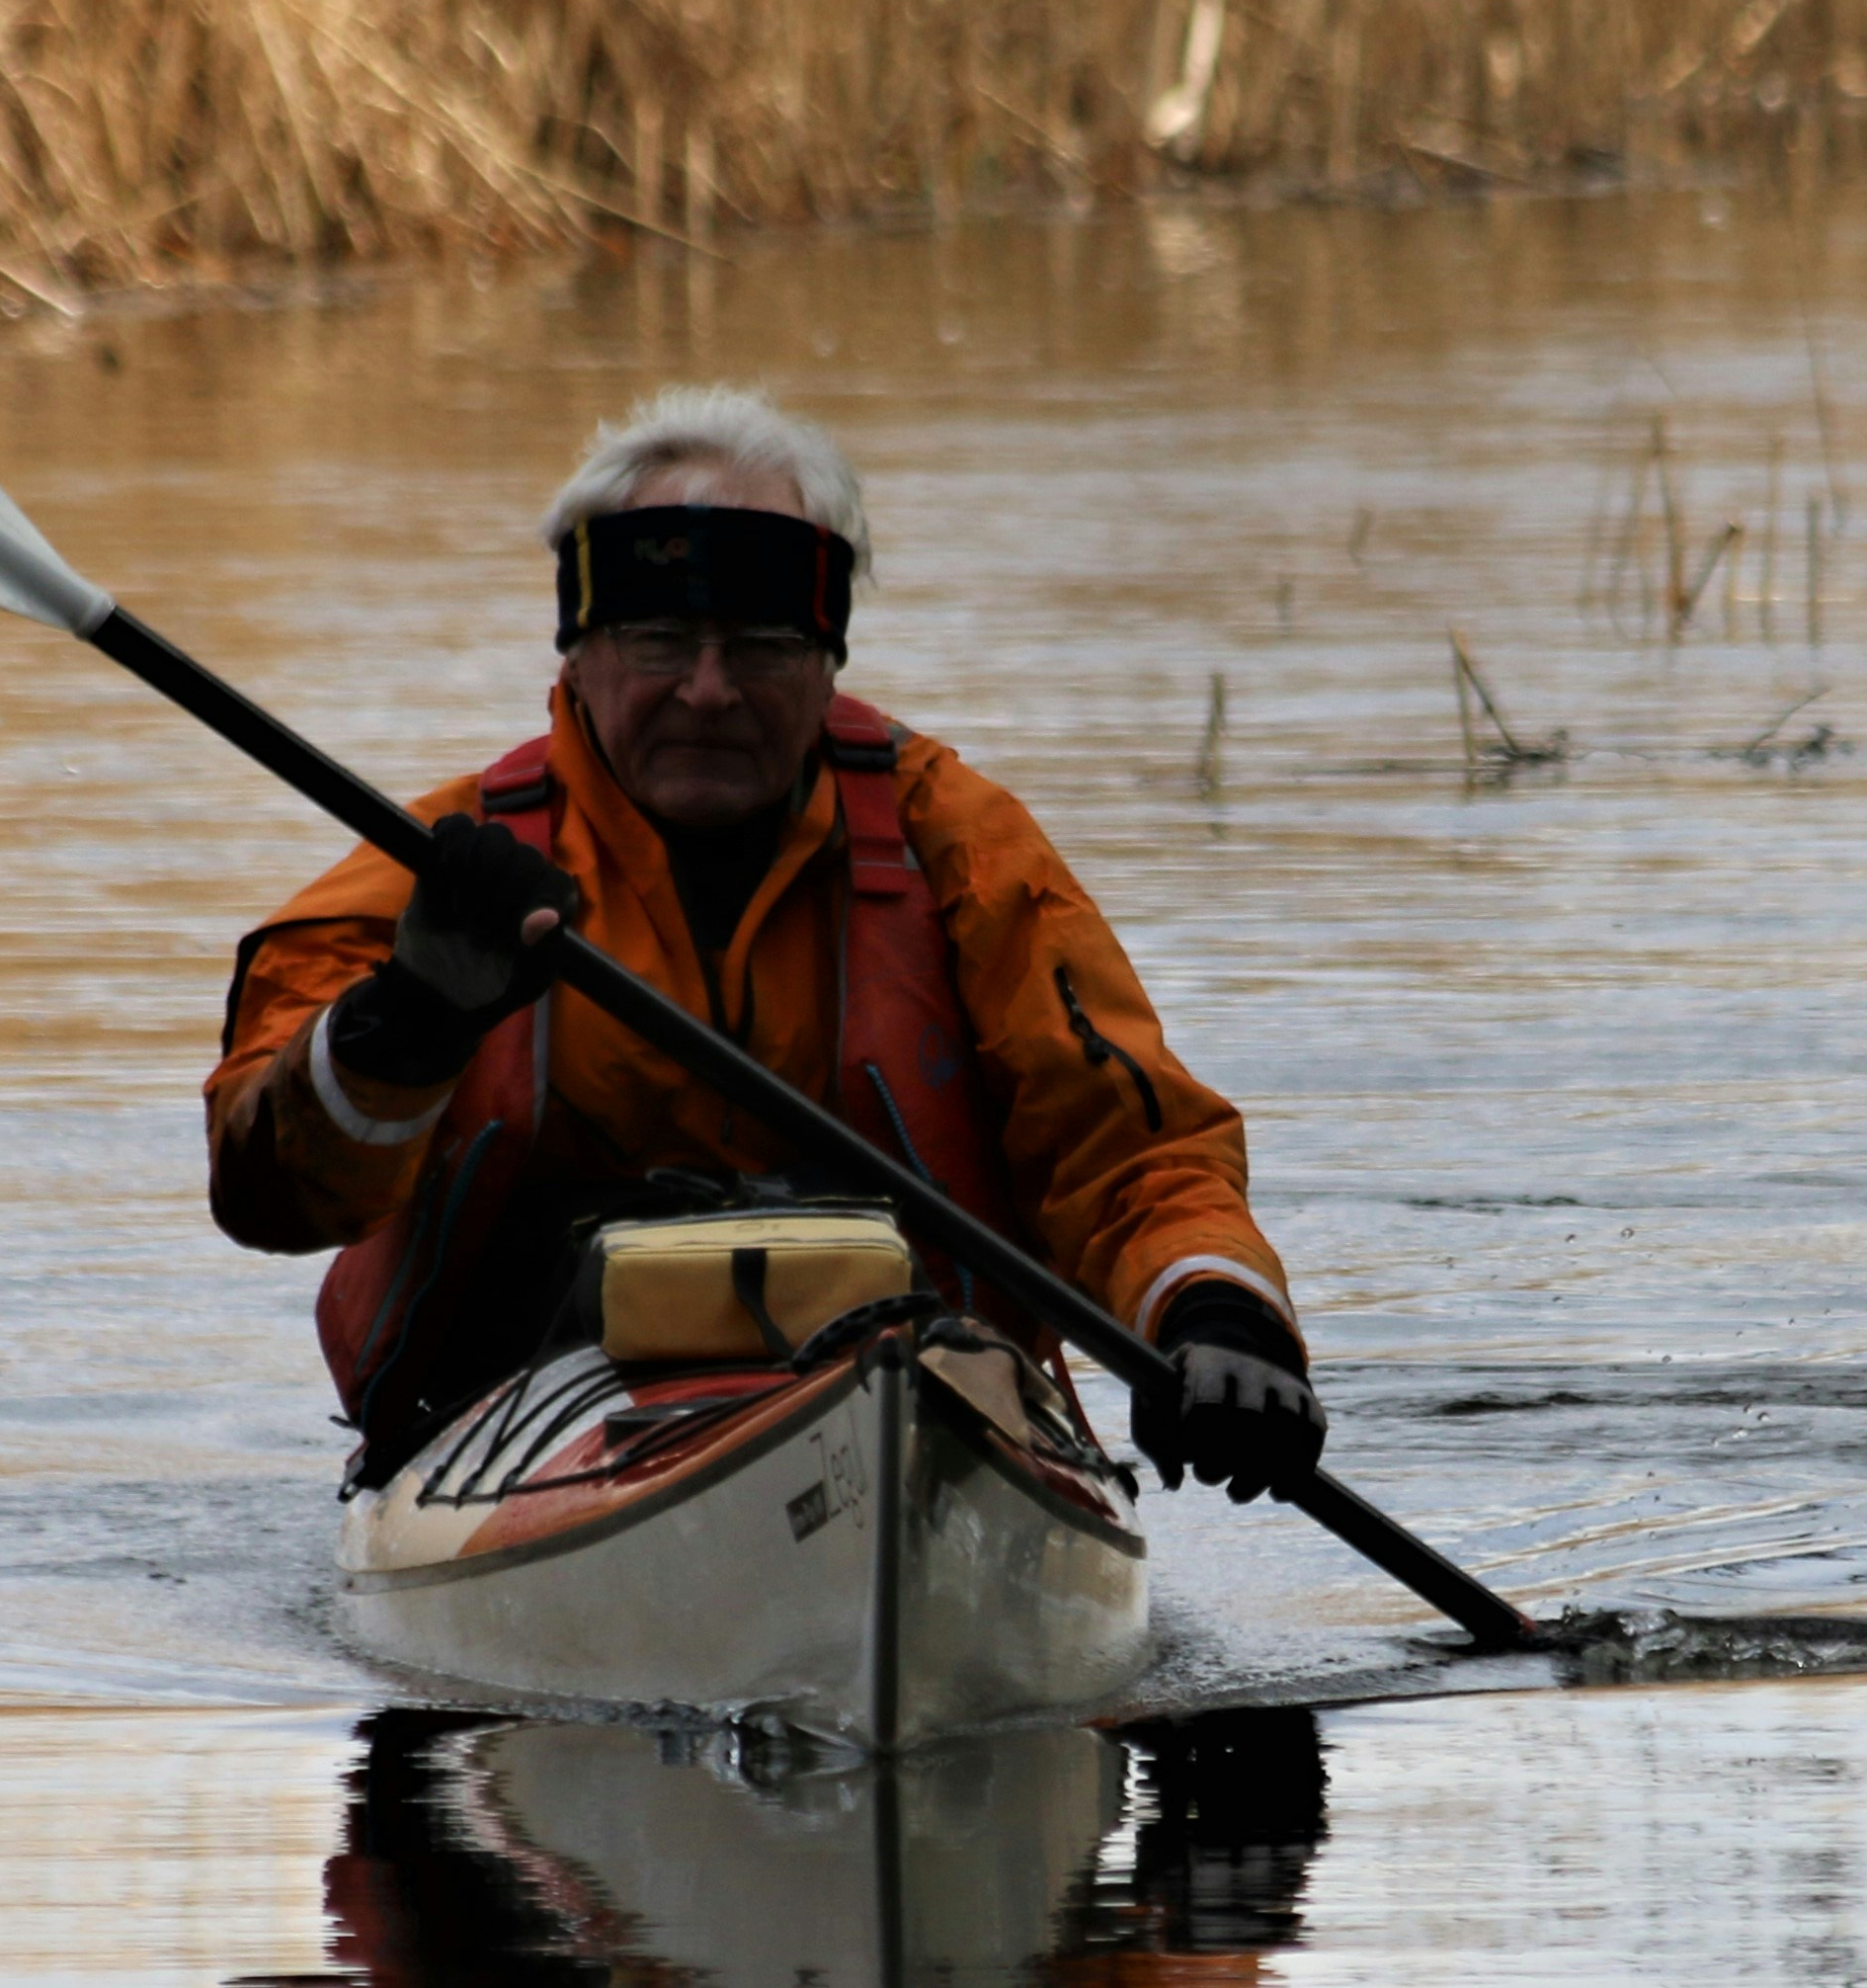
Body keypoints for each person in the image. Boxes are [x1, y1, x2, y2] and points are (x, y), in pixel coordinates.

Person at [203, 383, 1325, 1501]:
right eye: (657, 641)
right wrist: (410, 1016)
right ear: (578, 657)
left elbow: (1125, 1146)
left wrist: (1216, 1314)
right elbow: (265, 1195)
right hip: (522, 1422)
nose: (707, 690)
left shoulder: (964, 851)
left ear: (827, 657)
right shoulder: (440, 878)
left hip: (929, 1394)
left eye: (761, 644)